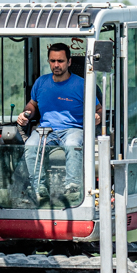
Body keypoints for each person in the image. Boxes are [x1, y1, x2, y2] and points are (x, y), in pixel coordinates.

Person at [13, 42, 101, 207]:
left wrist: (98, 116)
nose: (56, 65)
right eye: (52, 61)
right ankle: (39, 188)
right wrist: (26, 114)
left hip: (73, 128)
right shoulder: (41, 82)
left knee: (73, 144)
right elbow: (32, 105)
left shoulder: (82, 84)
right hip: (46, 129)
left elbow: (99, 109)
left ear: (69, 62)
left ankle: (73, 188)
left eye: (60, 61)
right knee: (31, 145)